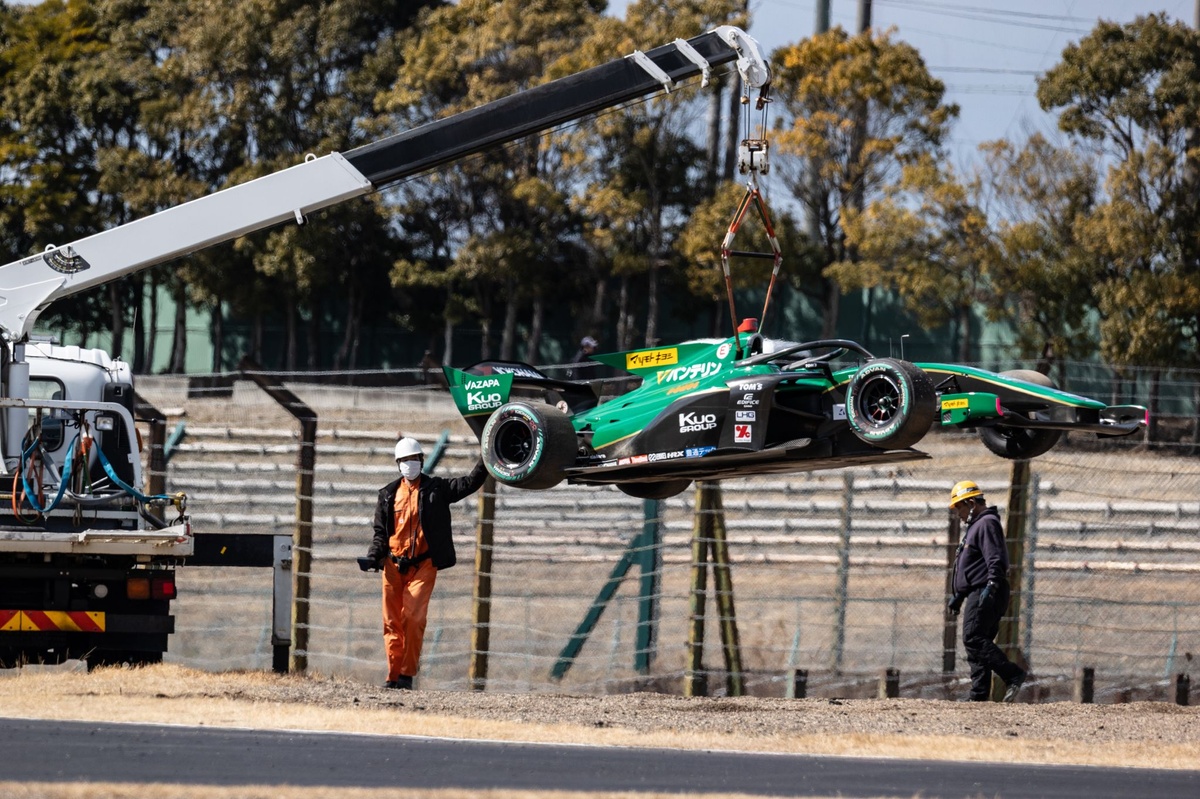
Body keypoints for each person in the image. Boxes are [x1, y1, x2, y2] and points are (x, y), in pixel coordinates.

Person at [365, 437, 486, 690]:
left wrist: (487, 457)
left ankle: (406, 675)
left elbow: (470, 483)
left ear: (421, 460)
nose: (410, 464)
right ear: (398, 464)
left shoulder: (437, 489)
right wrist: (373, 556)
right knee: (391, 622)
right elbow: (380, 534)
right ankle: (393, 675)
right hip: (392, 565)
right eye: (405, 460)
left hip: (423, 565)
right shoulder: (387, 495)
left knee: (413, 617)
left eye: (414, 459)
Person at [946, 480, 1027, 703]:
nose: (958, 515)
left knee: (972, 637)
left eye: (960, 508)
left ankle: (1013, 674)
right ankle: (979, 695)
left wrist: (991, 586)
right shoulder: (976, 527)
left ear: (971, 503)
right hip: (979, 590)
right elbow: (973, 566)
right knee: (978, 644)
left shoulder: (987, 523)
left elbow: (996, 558)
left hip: (987, 589)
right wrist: (960, 596)